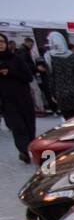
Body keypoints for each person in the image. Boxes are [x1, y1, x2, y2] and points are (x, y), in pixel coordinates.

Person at [0, 33, 37, 162]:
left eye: (2, 41)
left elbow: (28, 77)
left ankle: (31, 150)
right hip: (7, 101)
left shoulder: (16, 59)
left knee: (29, 126)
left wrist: (10, 72)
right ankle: (24, 151)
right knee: (18, 127)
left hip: (23, 98)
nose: (0, 44)